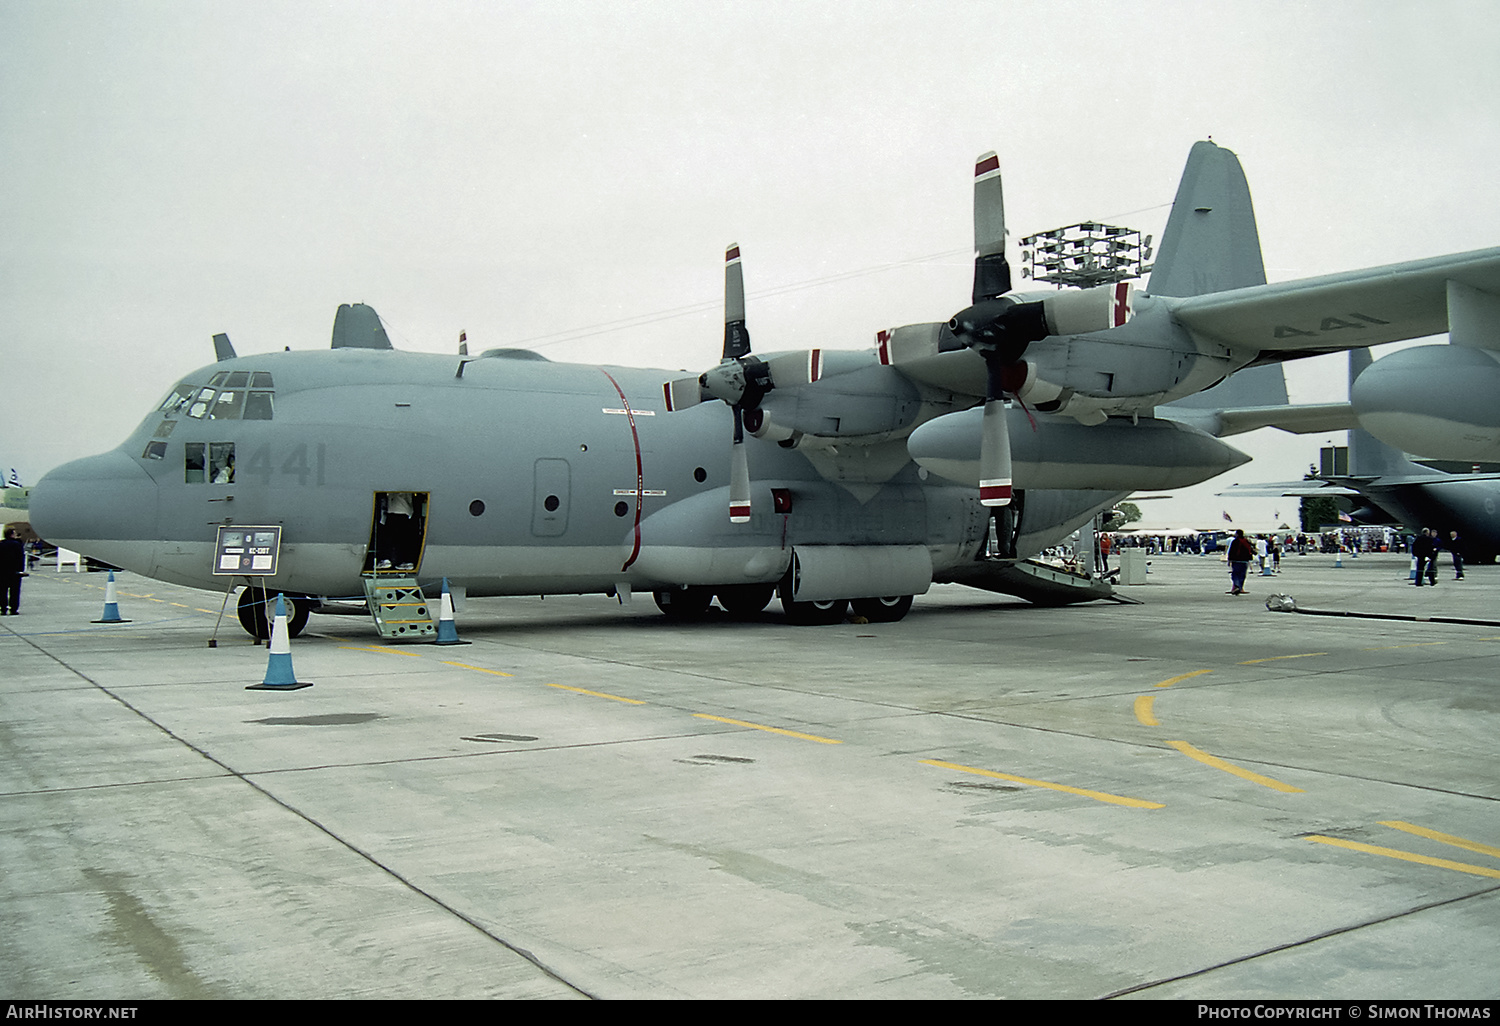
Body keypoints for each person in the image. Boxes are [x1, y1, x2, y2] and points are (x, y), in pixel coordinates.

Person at [1, 527, 25, 615]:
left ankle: (3, 608)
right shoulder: (17, 545)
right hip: (14, 571)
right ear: (11, 534)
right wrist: (21, 570)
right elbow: (21, 558)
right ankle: (13, 609)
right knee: (14, 591)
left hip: (2, 572)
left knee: (2, 591)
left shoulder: (1, 544)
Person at [1226, 529, 1254, 595]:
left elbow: (1231, 551)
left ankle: (1236, 586)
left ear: (1237, 534)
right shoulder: (1246, 541)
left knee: (1235, 574)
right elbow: (1250, 549)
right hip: (1245, 560)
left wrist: (1229, 560)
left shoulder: (1235, 541)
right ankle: (1240, 588)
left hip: (1236, 560)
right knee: (1242, 575)